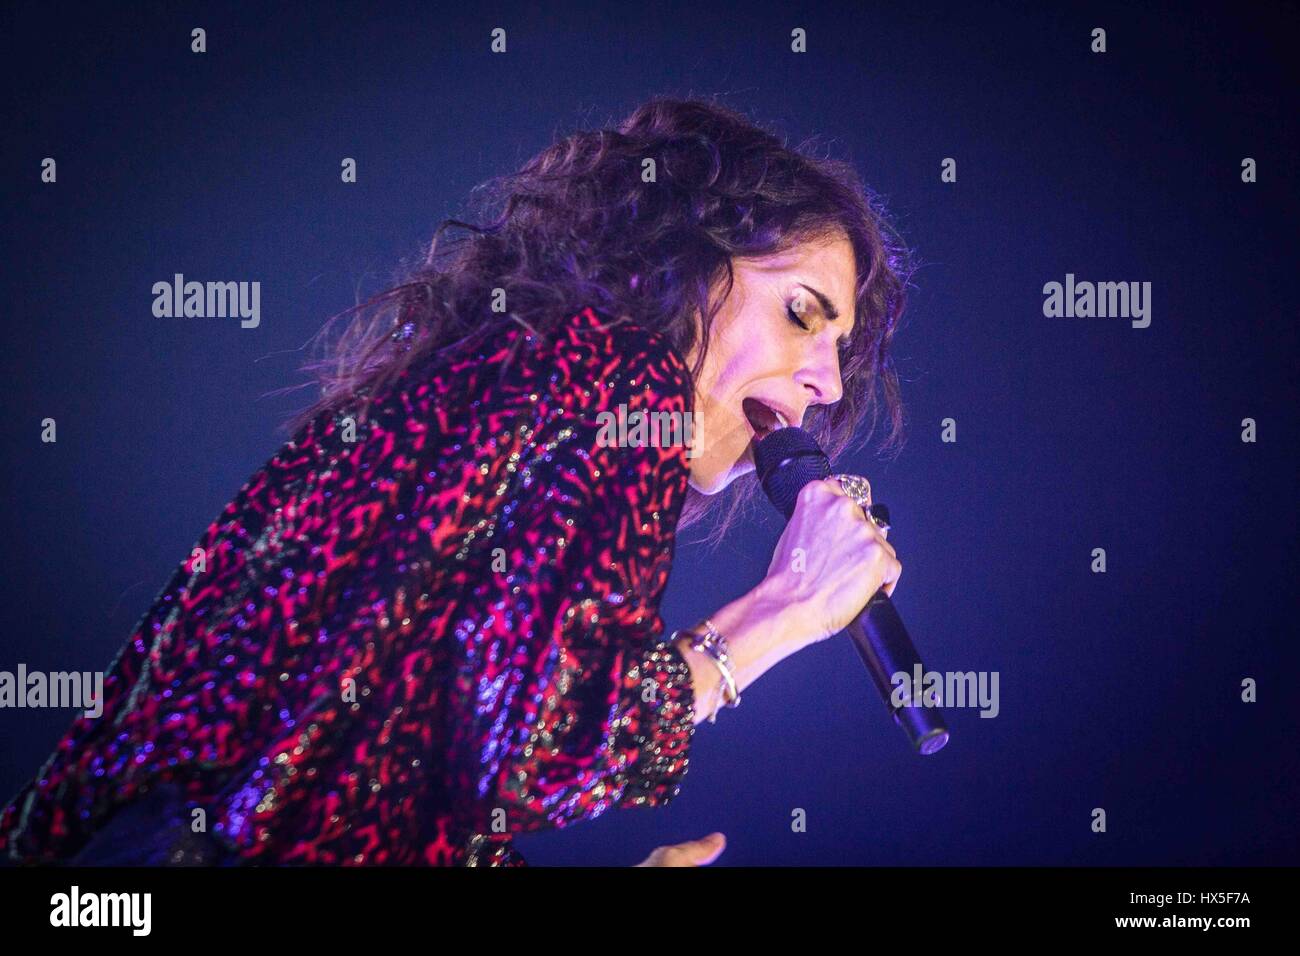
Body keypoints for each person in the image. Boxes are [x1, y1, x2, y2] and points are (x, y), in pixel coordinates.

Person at [0, 97, 911, 867]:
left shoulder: (512, 382)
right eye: (802, 314)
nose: (826, 382)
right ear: (688, 265)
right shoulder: (626, 379)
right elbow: (545, 751)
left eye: (838, 348)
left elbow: (427, 775)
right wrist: (788, 605)